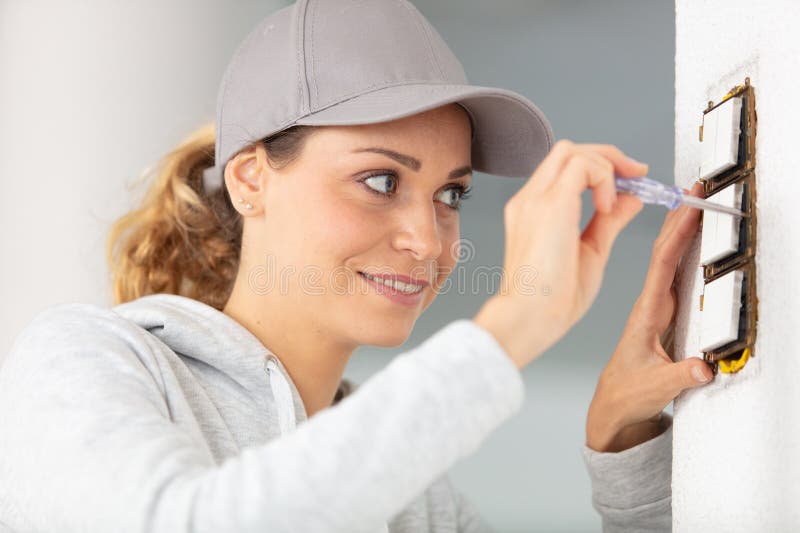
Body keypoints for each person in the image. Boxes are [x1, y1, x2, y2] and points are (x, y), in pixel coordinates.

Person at [0, 1, 715, 532]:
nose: (429, 242)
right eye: (379, 180)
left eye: (450, 194)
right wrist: (514, 327)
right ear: (250, 178)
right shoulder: (81, 359)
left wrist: (626, 442)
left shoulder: (417, 503)